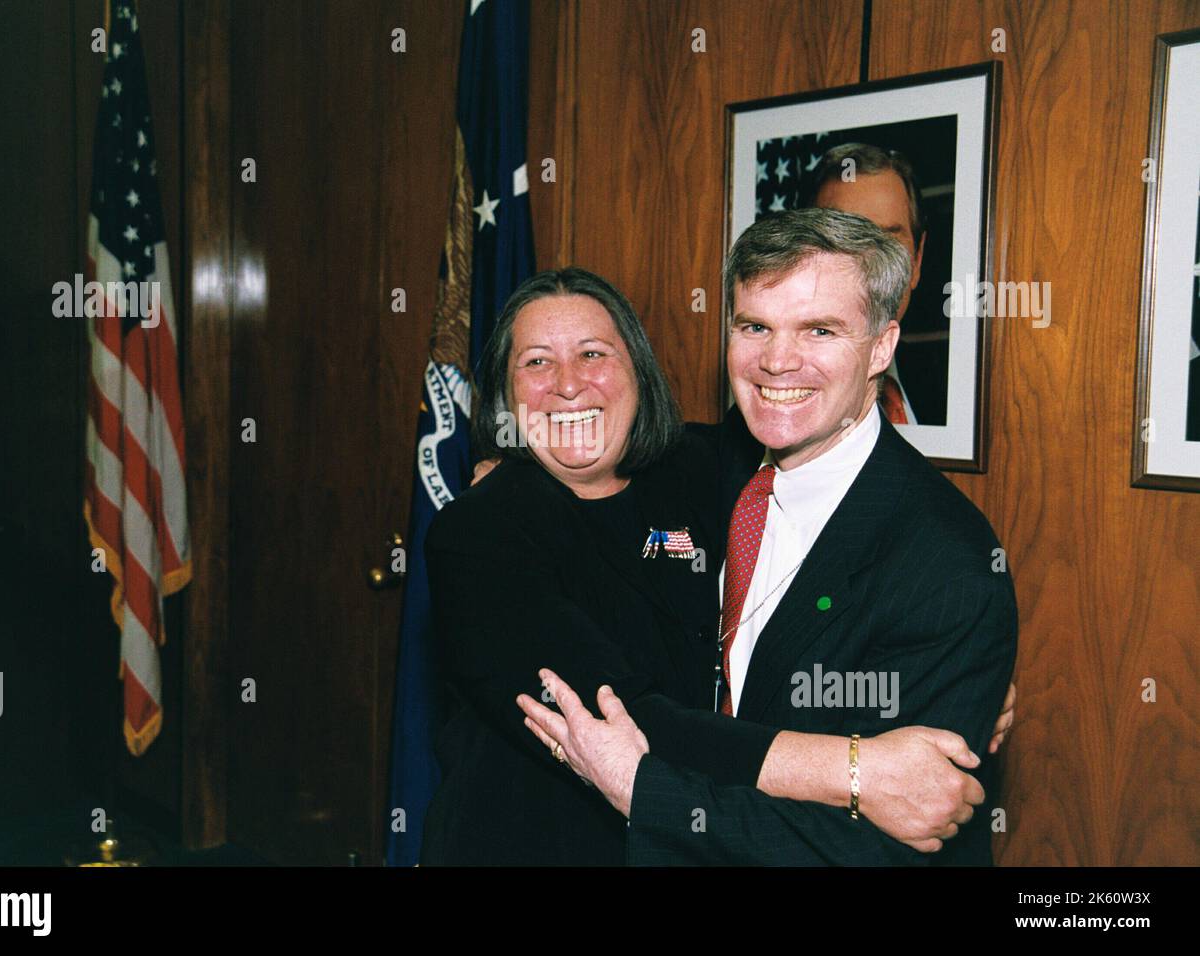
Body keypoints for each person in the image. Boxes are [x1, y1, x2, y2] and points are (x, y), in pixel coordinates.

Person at [422, 265, 1009, 865]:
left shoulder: (697, 469)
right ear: (506, 392)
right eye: (537, 362)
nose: (569, 385)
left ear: (637, 372)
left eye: (593, 353)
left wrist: (964, 673)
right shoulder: (476, 534)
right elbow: (623, 722)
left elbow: (809, 424)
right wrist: (857, 769)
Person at [802, 142, 945, 425]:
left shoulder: (939, 387)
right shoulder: (774, 396)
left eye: (888, 241)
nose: (868, 264)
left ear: (917, 259)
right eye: (842, 239)